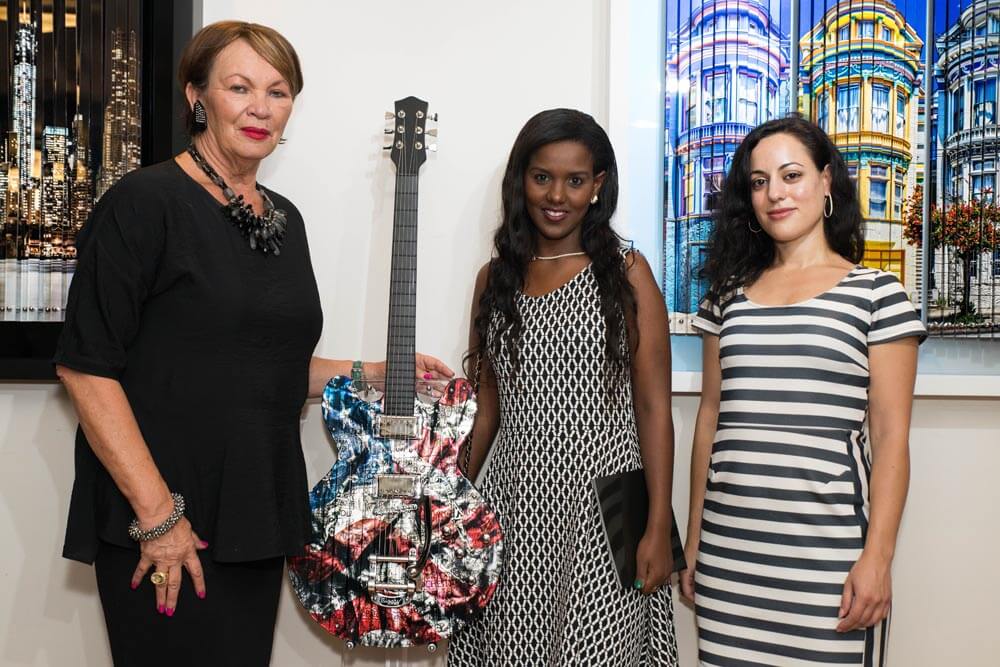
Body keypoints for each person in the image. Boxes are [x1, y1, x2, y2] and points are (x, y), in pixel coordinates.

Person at [53, 21, 451, 666]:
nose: (260, 107)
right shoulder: (144, 202)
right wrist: (159, 517)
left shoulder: (284, 219)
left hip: (254, 511)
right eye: (239, 87)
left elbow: (267, 364)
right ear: (197, 97)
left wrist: (374, 370)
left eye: (278, 91)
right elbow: (86, 369)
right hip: (165, 516)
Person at [680, 115, 926, 666]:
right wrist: (695, 537)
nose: (775, 193)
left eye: (791, 175)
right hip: (730, 553)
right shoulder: (727, 297)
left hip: (831, 559)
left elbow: (891, 438)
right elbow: (710, 418)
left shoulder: (878, 294)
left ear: (826, 180)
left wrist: (878, 558)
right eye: (759, 182)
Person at [447, 109, 678, 666]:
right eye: (542, 177)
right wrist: (448, 505)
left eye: (575, 180)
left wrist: (656, 527)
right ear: (520, 181)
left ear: (597, 186)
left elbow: (654, 407)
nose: (557, 196)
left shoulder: (627, 272)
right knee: (512, 649)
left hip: (605, 510)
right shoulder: (494, 279)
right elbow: (485, 410)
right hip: (514, 506)